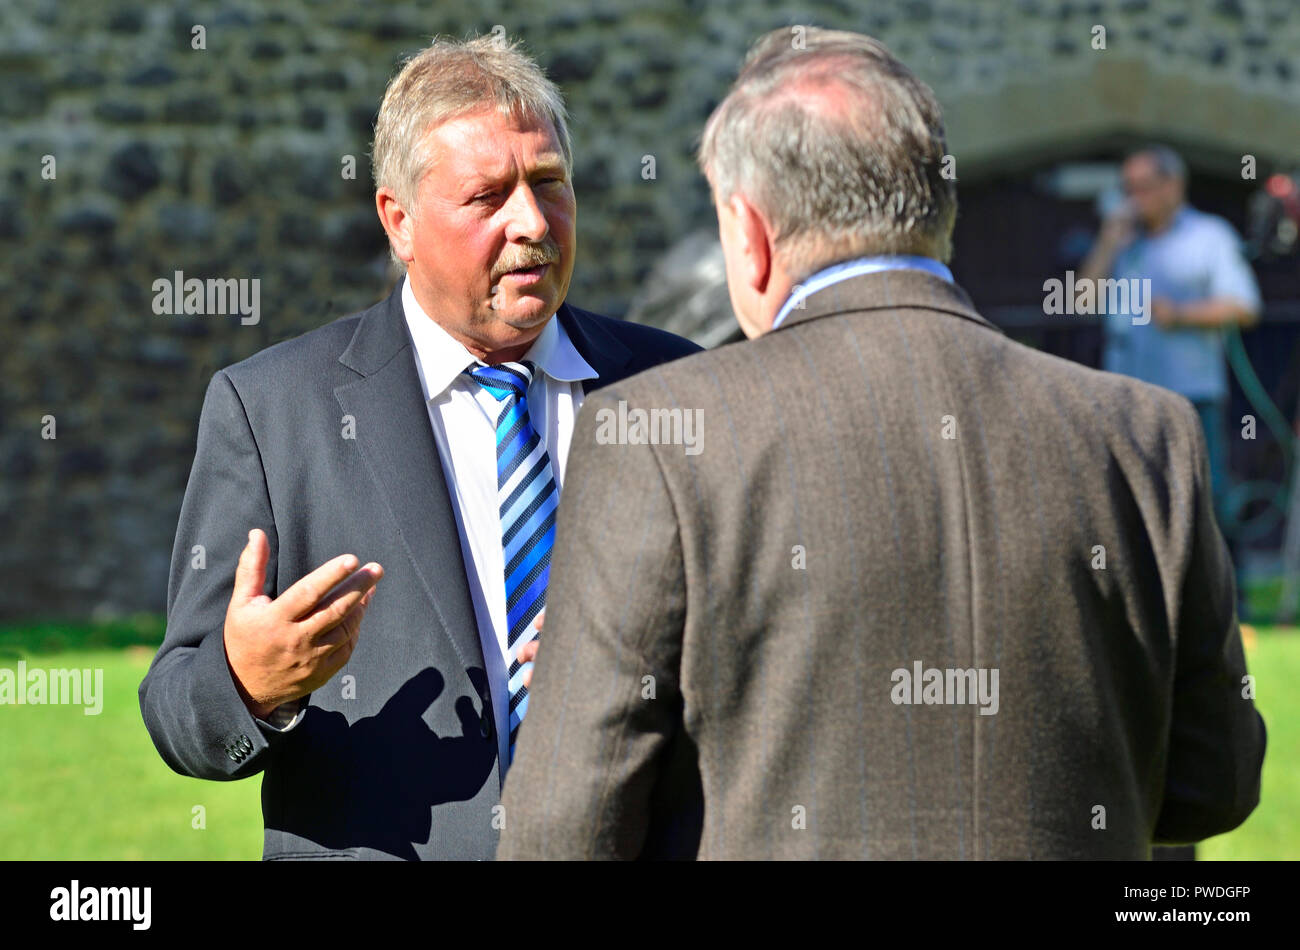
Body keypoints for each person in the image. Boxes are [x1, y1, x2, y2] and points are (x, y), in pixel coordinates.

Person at [496, 27, 1266, 860]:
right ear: (938, 207)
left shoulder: (652, 436)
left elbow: (564, 831)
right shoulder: (1144, 435)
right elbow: (1212, 782)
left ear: (747, 234)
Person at [138, 34, 699, 861]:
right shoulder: (272, 411)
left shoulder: (676, 386)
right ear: (398, 221)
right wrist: (250, 685)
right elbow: (177, 708)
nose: (533, 223)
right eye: (487, 196)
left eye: (549, 183)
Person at [1080, 146, 1262, 531]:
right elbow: (1080, 301)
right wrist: (1108, 241)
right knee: (1130, 505)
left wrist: (1181, 315)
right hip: (1125, 397)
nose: (1133, 198)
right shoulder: (1124, 242)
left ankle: (1226, 592)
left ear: (1174, 185)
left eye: (1143, 187)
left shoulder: (1210, 236)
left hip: (1190, 398)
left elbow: (1245, 307)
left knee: (1204, 503)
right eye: (1128, 188)